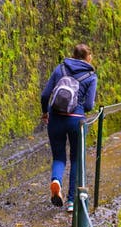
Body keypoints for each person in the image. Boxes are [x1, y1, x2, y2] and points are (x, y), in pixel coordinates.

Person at [40, 44, 97, 213]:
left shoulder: (60, 68)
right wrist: (78, 109)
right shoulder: (91, 76)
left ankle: (56, 181)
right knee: (76, 159)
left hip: (55, 118)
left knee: (59, 157)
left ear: (73, 55)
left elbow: (45, 95)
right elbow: (89, 105)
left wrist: (45, 112)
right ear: (88, 57)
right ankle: (71, 201)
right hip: (76, 121)